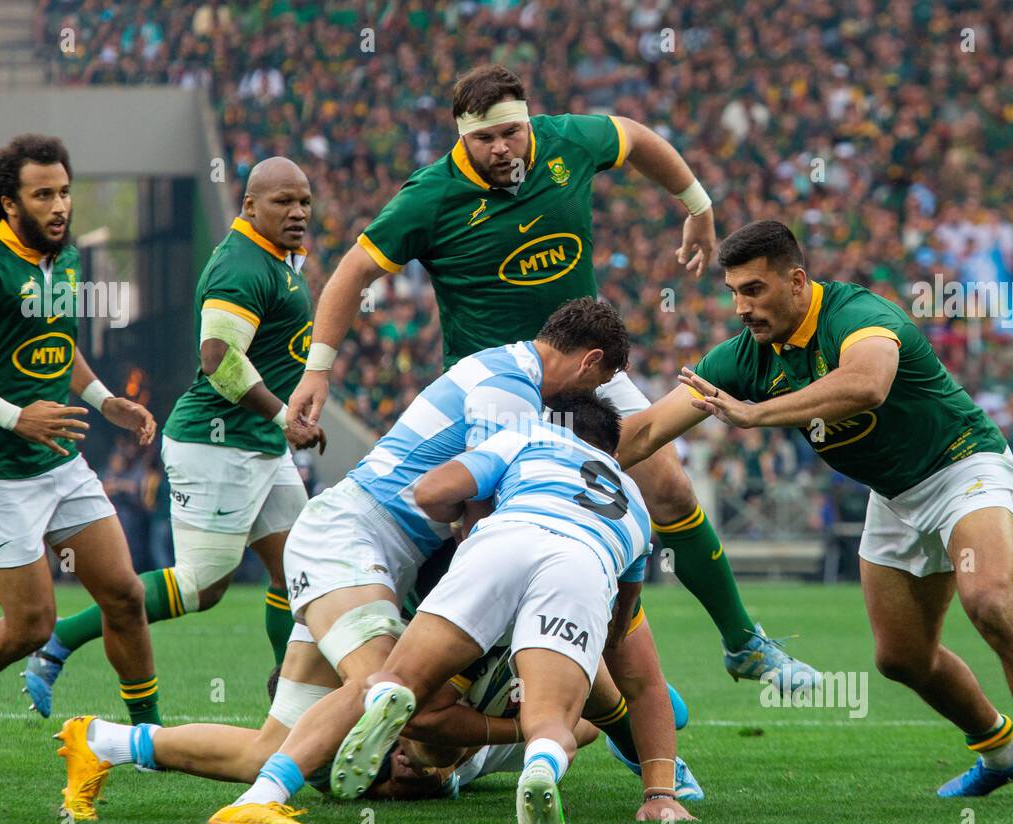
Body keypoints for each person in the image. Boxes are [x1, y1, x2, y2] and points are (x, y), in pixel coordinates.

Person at [57, 300, 696, 824]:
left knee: (275, 746)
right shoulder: (514, 398)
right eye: (601, 384)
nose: (592, 401)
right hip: (353, 539)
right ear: (590, 363)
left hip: (365, 549)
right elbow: (480, 512)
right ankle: (272, 803)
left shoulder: (502, 372)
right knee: (389, 688)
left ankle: (102, 742)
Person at [287, 63, 820, 692]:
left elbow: (639, 138)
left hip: (583, 370)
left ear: (529, 121)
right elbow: (351, 274)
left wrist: (698, 207)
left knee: (670, 488)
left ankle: (743, 644)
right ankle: (522, 696)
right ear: (461, 138)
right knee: (509, 533)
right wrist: (316, 371)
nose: (501, 148)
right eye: (484, 140)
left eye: (511, 132)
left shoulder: (569, 142)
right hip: (497, 393)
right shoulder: (430, 197)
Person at [617, 219, 1013, 814]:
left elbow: (866, 386)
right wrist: (558, 465)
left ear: (797, 281)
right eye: (733, 292)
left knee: (991, 602)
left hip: (964, 465)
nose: (740, 307)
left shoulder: (857, 315)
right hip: (894, 497)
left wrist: (758, 416)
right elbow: (649, 428)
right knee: (900, 659)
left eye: (753, 290)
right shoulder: (743, 359)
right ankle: (1002, 751)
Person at [235, 392, 692, 824]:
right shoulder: (634, 501)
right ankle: (541, 763)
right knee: (553, 718)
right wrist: (660, 793)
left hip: (503, 542)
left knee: (388, 680)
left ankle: (264, 793)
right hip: (582, 565)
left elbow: (431, 489)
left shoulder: (527, 435)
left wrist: (455, 520)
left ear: (552, 420)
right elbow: (625, 626)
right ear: (612, 450)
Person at [22, 157, 324, 716]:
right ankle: (61, 637)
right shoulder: (242, 264)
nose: (299, 212)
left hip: (258, 443)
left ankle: (294, 700)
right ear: (249, 207)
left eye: (305, 201)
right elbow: (218, 360)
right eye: (284, 201)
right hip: (219, 446)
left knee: (301, 569)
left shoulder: (274, 257)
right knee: (202, 587)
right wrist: (285, 417)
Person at [0, 133, 160, 773]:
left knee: (124, 595)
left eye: (65, 192)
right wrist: (15, 417)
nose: (59, 206)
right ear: (7, 203)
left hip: (57, 463)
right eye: (43, 194)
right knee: (31, 627)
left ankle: (151, 739)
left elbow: (58, 347)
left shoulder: (66, 261)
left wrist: (108, 402)